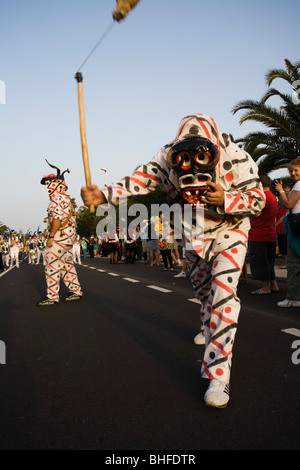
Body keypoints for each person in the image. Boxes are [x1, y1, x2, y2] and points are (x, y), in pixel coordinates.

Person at [81, 113, 265, 408]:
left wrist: (227, 200)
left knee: (223, 295)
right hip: (190, 232)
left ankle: (218, 375)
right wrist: (104, 194)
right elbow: (138, 180)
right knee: (204, 293)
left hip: (230, 230)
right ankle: (208, 326)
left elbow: (258, 200)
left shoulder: (237, 156)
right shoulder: (166, 157)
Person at [37, 161, 83, 306]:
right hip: (68, 238)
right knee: (66, 265)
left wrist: (51, 236)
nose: (48, 188)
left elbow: (57, 218)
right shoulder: (67, 198)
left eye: (49, 184)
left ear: (56, 184)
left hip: (59, 238)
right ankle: (75, 291)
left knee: (51, 264)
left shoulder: (58, 198)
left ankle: (52, 296)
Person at [274, 159, 300, 307]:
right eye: (291, 171)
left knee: (293, 263)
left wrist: (281, 191)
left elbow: (289, 204)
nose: (293, 173)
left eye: (296, 170)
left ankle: (293, 298)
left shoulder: (298, 185)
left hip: (296, 226)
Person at [248, 175, 279, 294]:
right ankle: (273, 284)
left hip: (258, 234)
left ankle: (265, 287)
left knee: (261, 261)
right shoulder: (272, 196)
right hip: (270, 233)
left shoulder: (262, 197)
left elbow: (253, 213)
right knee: (269, 261)